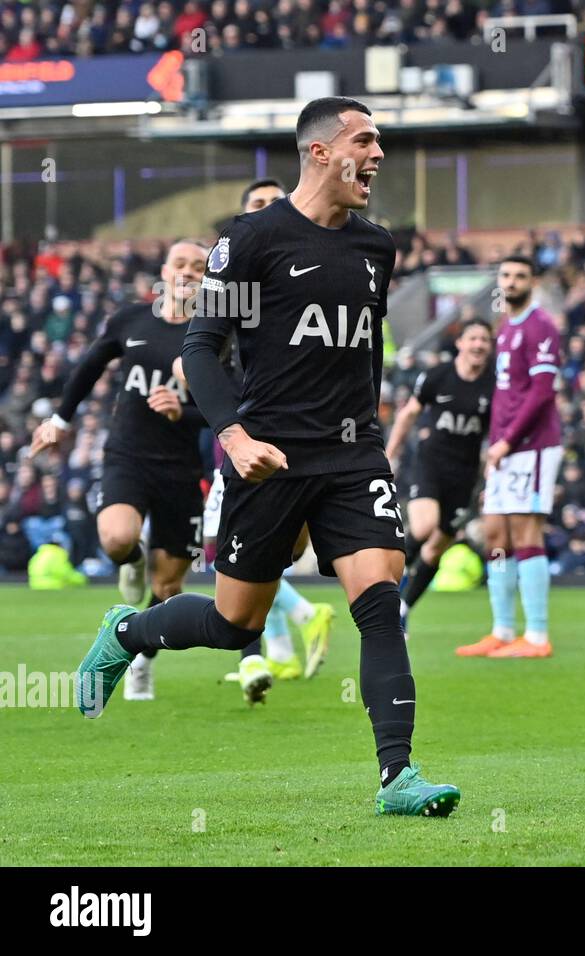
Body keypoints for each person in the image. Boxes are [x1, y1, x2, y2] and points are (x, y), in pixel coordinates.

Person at [73, 96, 460, 817]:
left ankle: (397, 776)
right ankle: (127, 630)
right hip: (267, 458)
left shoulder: (377, 248)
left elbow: (362, 359)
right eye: (365, 141)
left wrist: (369, 438)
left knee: (380, 604)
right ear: (318, 151)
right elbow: (203, 348)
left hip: (352, 460)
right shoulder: (254, 241)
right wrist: (235, 436)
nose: (378, 155)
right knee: (234, 627)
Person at [30, 239, 210, 702]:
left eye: (198, 266)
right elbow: (90, 367)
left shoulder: (215, 334)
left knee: (168, 585)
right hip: (128, 454)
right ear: (165, 272)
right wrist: (58, 420)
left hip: (182, 468)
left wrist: (182, 412)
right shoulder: (131, 320)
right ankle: (129, 560)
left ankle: (140, 657)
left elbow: (228, 410)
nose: (188, 272)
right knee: (116, 537)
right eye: (180, 264)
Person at [181, 177, 336, 703]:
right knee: (246, 553)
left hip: (270, 438)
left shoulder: (308, 276)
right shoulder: (238, 283)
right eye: (257, 206)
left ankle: (299, 617)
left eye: (276, 203)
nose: (269, 213)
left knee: (228, 551)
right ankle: (277, 652)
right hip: (231, 436)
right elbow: (203, 356)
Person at [455, 256, 562, 659]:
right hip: (503, 448)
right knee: (496, 534)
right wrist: (495, 443)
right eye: (505, 275)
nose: (512, 281)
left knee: (525, 531)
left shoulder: (541, 327)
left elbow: (541, 392)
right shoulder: (505, 328)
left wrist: (508, 441)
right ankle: (502, 629)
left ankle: (536, 636)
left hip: (533, 446)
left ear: (532, 282)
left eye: (520, 276)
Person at [385, 318, 493, 632]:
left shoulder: (492, 385)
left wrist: (489, 480)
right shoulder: (437, 377)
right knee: (423, 526)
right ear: (460, 343)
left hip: (465, 477)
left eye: (484, 340)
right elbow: (408, 415)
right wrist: (389, 455)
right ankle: (383, 589)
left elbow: (495, 435)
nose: (478, 345)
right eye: (472, 338)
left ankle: (403, 608)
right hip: (431, 465)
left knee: (436, 548)